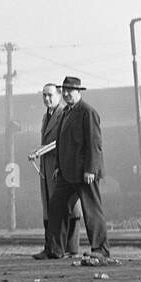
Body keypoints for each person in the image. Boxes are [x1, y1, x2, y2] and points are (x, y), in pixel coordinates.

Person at [47, 76, 113, 266]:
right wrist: (58, 167)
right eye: (64, 90)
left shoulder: (87, 112)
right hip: (67, 172)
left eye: (70, 90)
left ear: (78, 92)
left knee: (92, 210)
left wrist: (91, 169)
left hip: (85, 172)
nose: (66, 93)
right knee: (57, 205)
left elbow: (94, 143)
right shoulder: (66, 112)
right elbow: (61, 143)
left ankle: (100, 249)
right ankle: (54, 249)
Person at [29, 82, 81, 259]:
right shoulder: (47, 116)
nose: (47, 98)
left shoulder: (63, 114)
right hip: (47, 168)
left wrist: (40, 151)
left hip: (61, 166)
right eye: (44, 95)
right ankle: (51, 247)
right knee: (50, 208)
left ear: (58, 95)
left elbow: (60, 141)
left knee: (67, 208)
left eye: (50, 95)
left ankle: (69, 248)